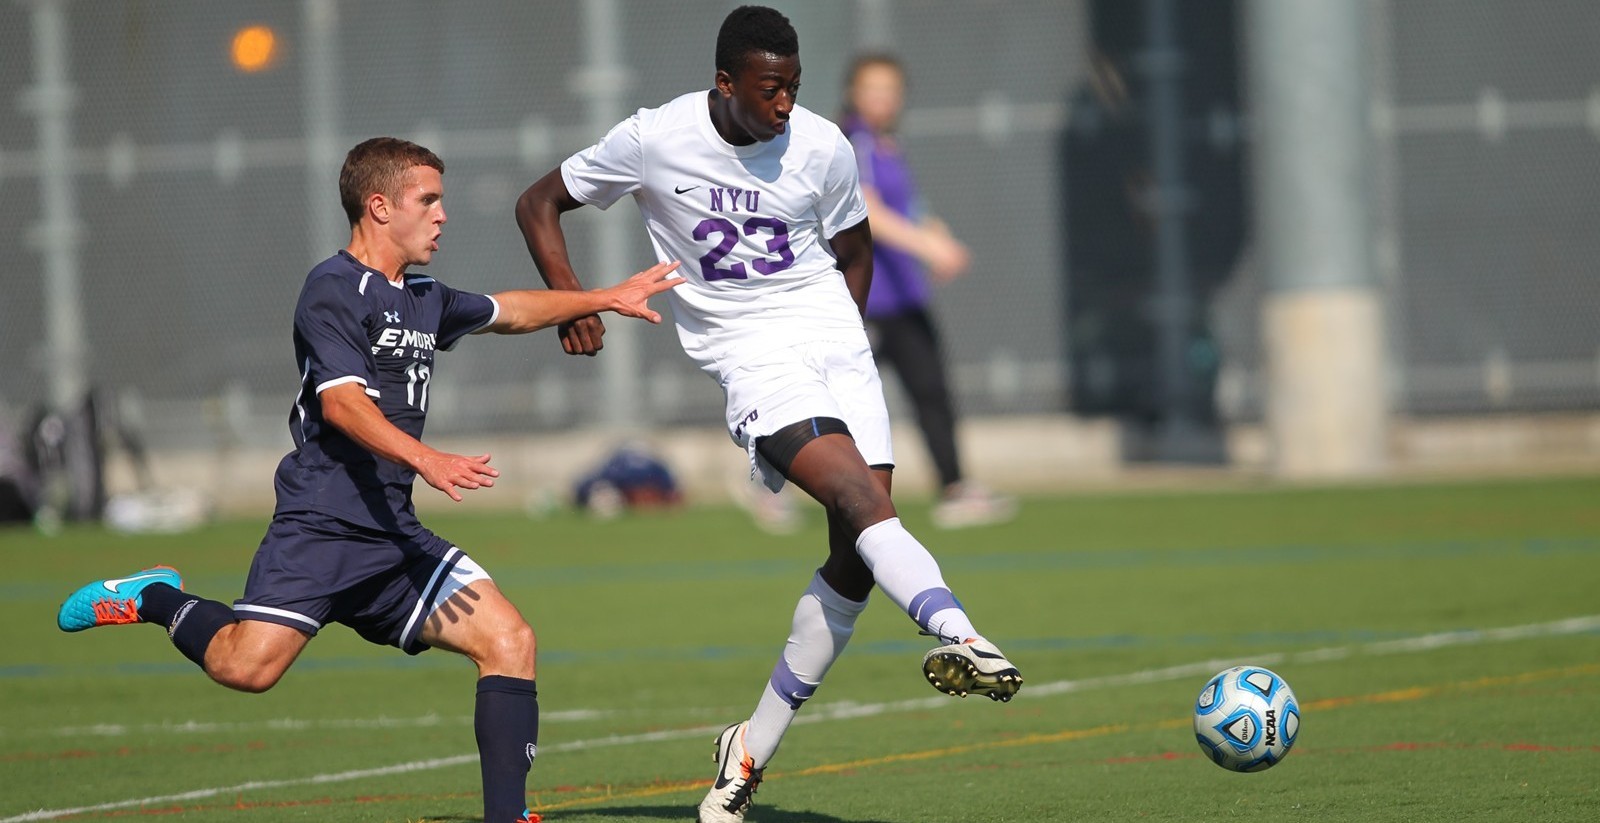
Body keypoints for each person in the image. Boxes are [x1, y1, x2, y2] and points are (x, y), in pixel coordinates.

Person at [55, 137, 680, 823]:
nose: (442, 215)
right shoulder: (332, 289)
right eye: (428, 200)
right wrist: (426, 458)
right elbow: (342, 405)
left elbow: (509, 311)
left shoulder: (423, 296)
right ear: (380, 207)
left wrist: (605, 297)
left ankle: (508, 817)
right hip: (322, 525)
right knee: (245, 669)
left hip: (392, 535)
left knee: (510, 640)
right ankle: (152, 595)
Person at [513, 8, 1022, 822]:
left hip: (834, 344)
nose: (785, 104)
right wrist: (572, 302)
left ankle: (746, 749)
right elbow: (538, 202)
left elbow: (855, 251)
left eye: (793, 86)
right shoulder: (654, 137)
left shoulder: (823, 145)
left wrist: (841, 349)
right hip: (750, 355)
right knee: (859, 500)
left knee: (856, 553)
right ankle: (961, 633)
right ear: (725, 83)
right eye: (769, 89)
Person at [841, 53, 1017, 530]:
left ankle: (955, 488)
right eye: (872, 88)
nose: (883, 99)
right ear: (853, 93)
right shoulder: (855, 141)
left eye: (891, 90)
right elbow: (869, 211)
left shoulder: (887, 144)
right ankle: (767, 482)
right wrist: (929, 247)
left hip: (904, 297)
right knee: (834, 402)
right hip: (869, 300)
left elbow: (907, 207)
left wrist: (933, 232)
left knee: (931, 391)